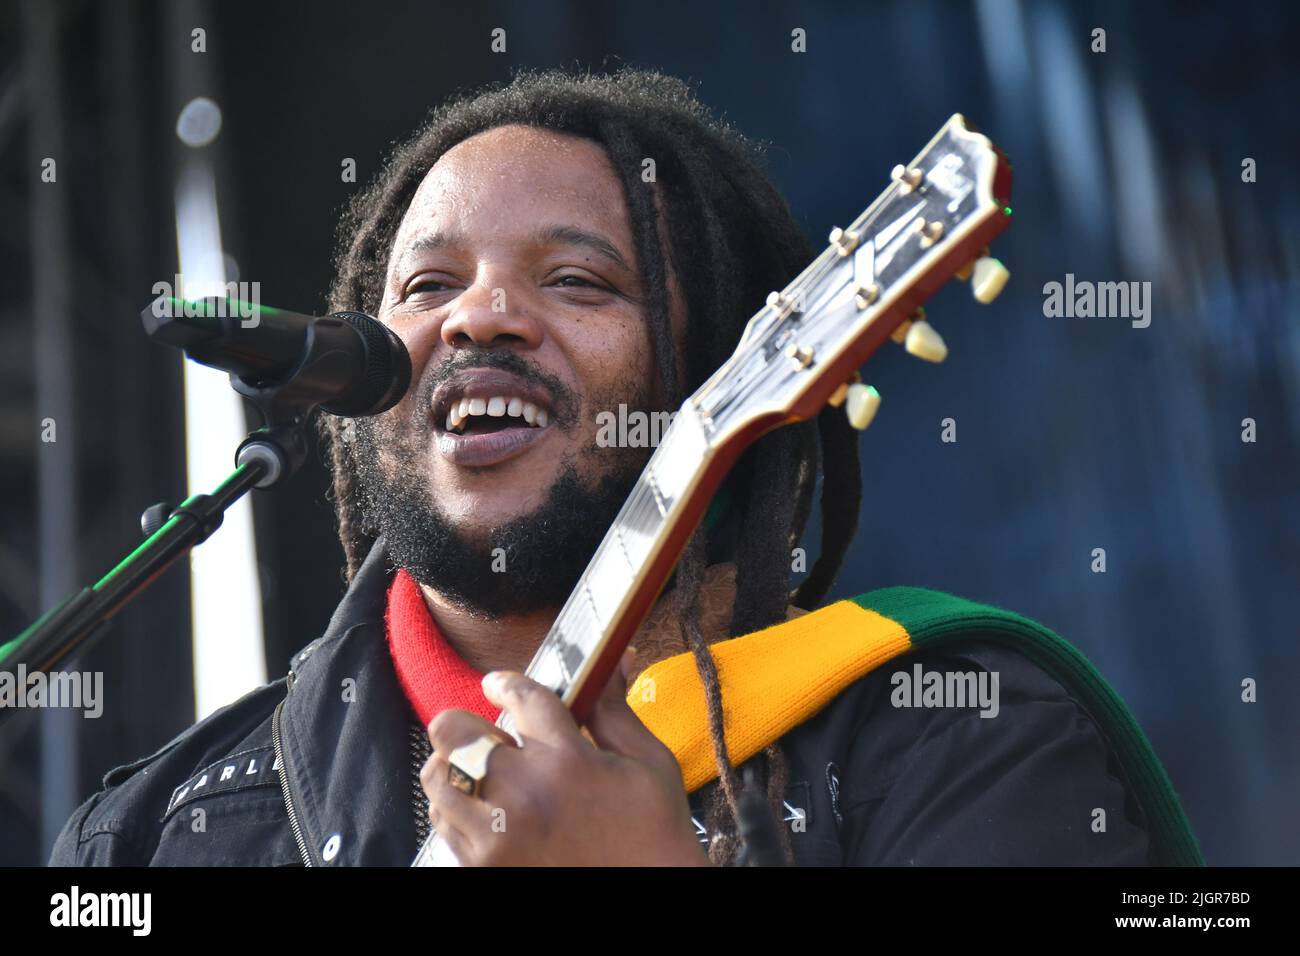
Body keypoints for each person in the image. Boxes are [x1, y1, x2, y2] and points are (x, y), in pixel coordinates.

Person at [49, 68, 1191, 867]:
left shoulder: (960, 737)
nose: (481, 317)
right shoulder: (150, 833)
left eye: (579, 281)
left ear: (719, 364)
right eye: (427, 287)